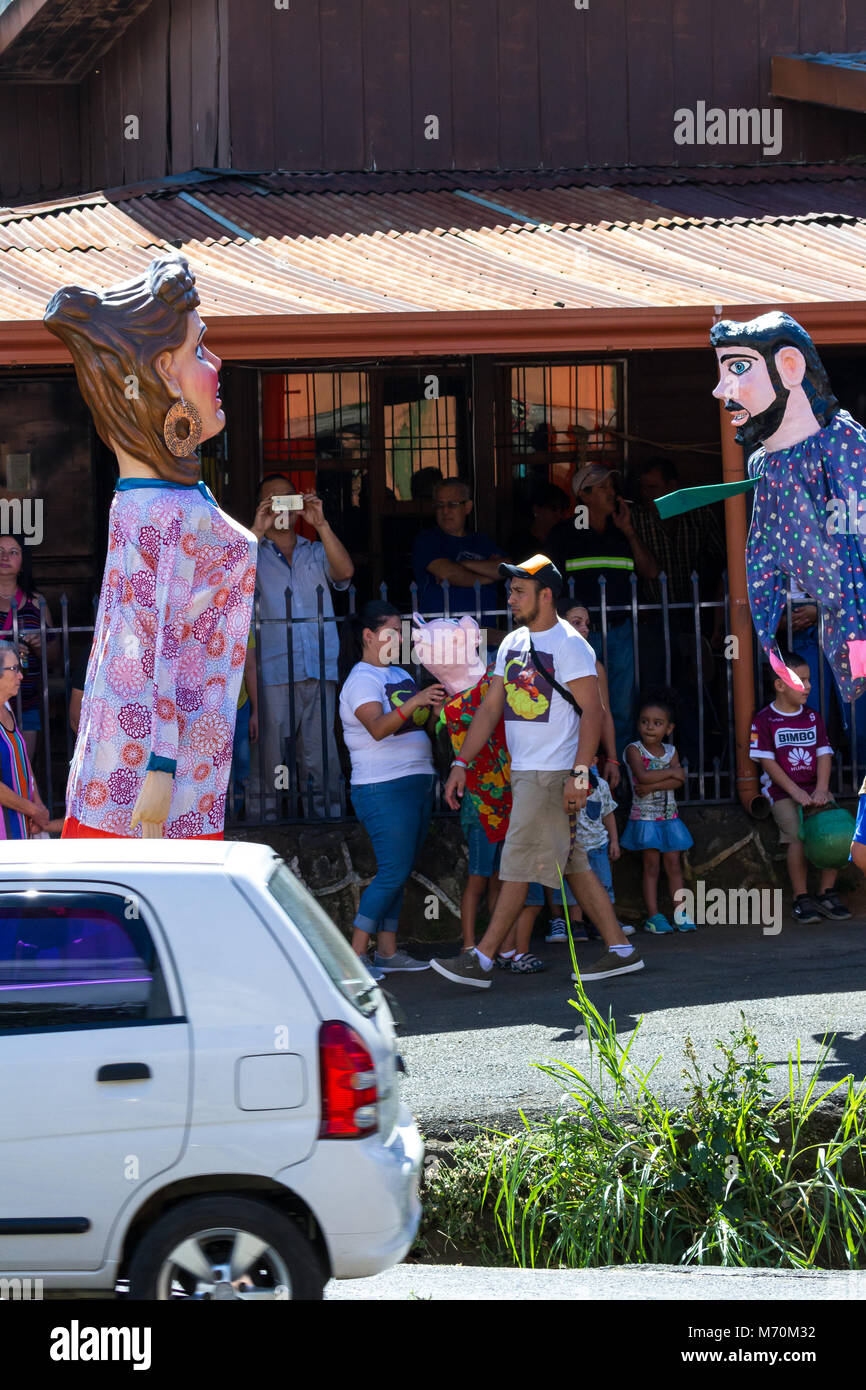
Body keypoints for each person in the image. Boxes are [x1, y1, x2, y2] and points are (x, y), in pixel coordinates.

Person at [45, 252, 257, 841]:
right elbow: (145, 641)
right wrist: (159, 765)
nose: (216, 364)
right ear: (163, 370)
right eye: (199, 351)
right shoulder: (154, 509)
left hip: (182, 772)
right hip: (151, 785)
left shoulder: (162, 498)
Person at [430, 554, 643, 988]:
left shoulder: (571, 645)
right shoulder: (512, 643)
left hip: (553, 774)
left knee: (517, 862)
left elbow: (593, 714)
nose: (510, 598)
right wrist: (459, 763)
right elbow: (491, 709)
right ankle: (620, 948)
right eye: (511, 591)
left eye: (519, 591)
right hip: (527, 773)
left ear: (546, 596)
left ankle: (483, 958)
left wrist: (580, 775)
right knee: (573, 862)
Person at [339, 600, 446, 978]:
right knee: (392, 872)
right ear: (369, 636)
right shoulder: (361, 680)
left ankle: (387, 951)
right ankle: (354, 957)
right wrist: (417, 699)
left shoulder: (398, 673)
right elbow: (379, 728)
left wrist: (433, 709)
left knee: (399, 871)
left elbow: (421, 728)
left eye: (400, 632)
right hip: (382, 787)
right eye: (391, 632)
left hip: (416, 781)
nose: (398, 638)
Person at [252, 473, 354, 818]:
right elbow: (226, 580)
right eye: (272, 500)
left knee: (320, 753)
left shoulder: (314, 550)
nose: (281, 507)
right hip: (272, 669)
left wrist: (321, 525)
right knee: (270, 755)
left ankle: (325, 819)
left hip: (317, 663)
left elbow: (344, 573)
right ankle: (264, 820)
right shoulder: (252, 552)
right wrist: (256, 529)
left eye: (287, 499)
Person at [547, 464, 660, 757]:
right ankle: (583, 776)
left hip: (620, 632)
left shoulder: (622, 531)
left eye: (613, 486)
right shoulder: (563, 534)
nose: (612, 493)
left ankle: (617, 775)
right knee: (576, 708)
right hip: (578, 637)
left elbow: (650, 571)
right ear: (584, 495)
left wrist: (630, 531)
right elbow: (550, 587)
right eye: (603, 488)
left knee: (621, 709)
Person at [750, 651, 851, 923]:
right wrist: (795, 793)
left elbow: (824, 755)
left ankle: (826, 892)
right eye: (801, 681)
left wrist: (821, 789)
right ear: (780, 685)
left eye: (808, 680)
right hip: (782, 793)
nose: (808, 686)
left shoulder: (813, 718)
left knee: (834, 828)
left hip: (813, 789)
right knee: (796, 835)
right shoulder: (764, 720)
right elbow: (768, 764)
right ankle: (801, 897)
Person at [622, 690, 695, 933]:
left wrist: (654, 783)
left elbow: (679, 780)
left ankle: (680, 913)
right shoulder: (634, 750)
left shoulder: (671, 752)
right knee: (651, 866)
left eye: (657, 723)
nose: (649, 727)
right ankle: (654, 915)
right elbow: (641, 776)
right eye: (644, 722)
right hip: (645, 819)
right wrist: (671, 773)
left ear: (669, 728)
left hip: (669, 817)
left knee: (674, 865)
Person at [412, 478, 508, 624]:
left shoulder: (482, 541)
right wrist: (489, 577)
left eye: (452, 505)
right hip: (440, 636)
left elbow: (505, 568)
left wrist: (464, 564)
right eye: (439, 505)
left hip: (483, 634)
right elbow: (449, 573)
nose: (445, 511)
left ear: (468, 507)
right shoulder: (427, 540)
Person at [0, 533, 56, 762]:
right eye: (0, 551)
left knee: (21, 768)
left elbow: (54, 658)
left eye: (14, 552)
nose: (5, 556)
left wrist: (40, 644)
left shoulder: (36, 603)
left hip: (27, 701)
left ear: (23, 563)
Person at [0, 640, 54, 838]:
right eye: (14, 669)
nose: (21, 676)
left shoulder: (6, 709)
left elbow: (23, 763)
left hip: (19, 823)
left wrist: (37, 803)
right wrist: (32, 810)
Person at [459, 792, 501, 950]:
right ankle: (468, 945)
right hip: (480, 813)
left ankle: (495, 942)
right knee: (477, 881)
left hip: (504, 812)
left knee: (498, 881)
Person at [509, 482, 571, 563]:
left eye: (562, 511)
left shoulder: (566, 541)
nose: (559, 515)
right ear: (536, 509)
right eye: (554, 509)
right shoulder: (519, 543)